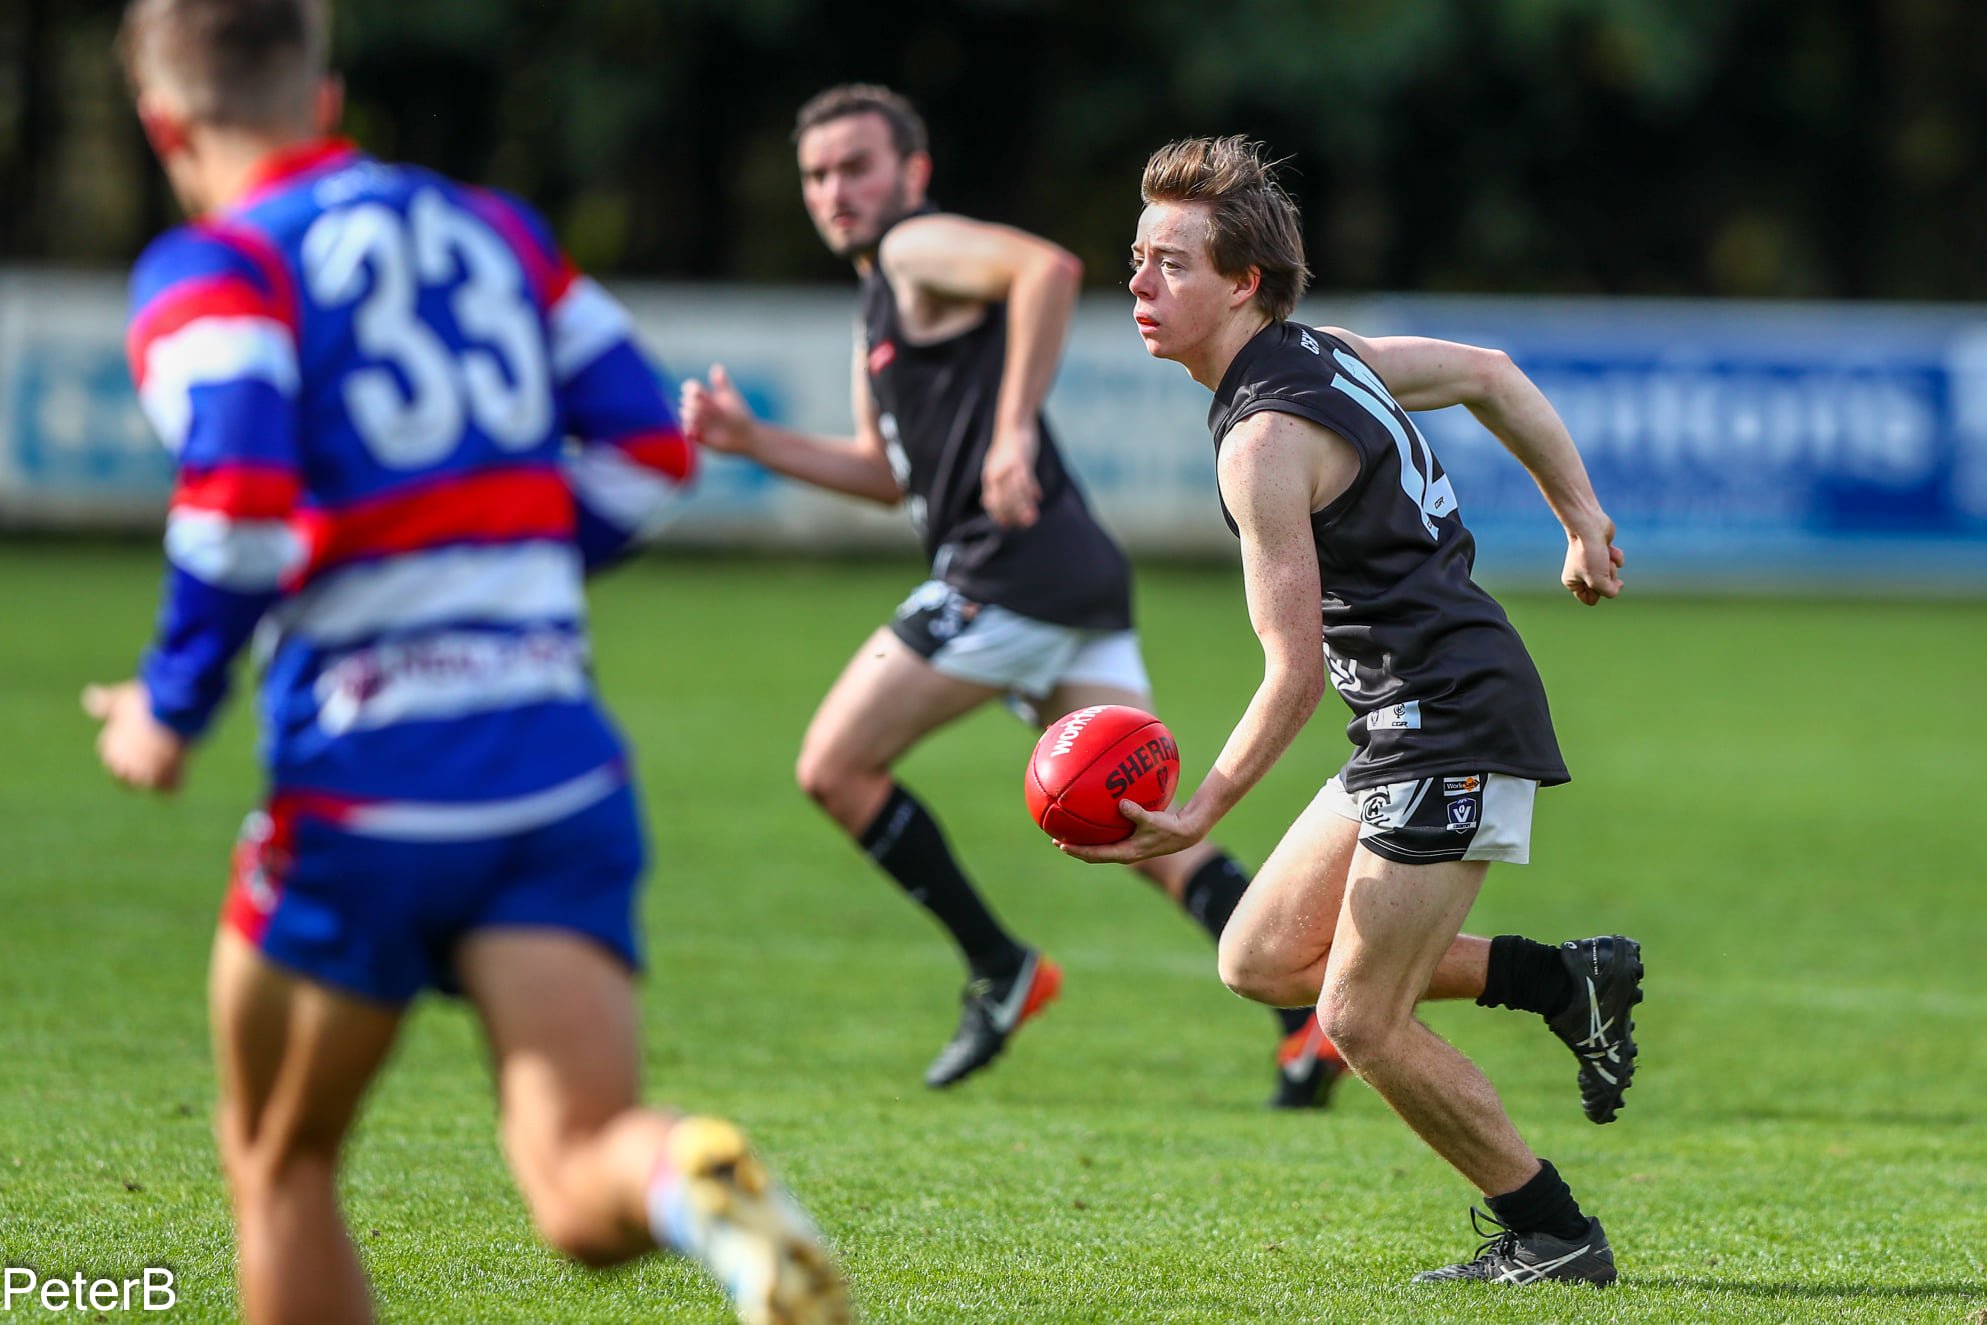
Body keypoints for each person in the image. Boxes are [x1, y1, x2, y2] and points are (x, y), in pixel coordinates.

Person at [84, 3, 850, 1322]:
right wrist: (497, 579)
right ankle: (693, 1186)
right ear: (324, 96)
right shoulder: (491, 229)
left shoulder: (213, 265)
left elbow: (240, 497)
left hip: (369, 778)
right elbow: (648, 453)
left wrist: (165, 708)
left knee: (278, 1158)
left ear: (164, 124)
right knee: (576, 1172)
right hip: (549, 764)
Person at [679, 85, 1341, 1103]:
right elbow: (884, 469)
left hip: (1008, 572)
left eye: (857, 165)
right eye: (816, 173)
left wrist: (1007, 429)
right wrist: (753, 441)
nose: (834, 190)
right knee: (1140, 828)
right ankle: (1309, 1018)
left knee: (832, 767)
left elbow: (1046, 269)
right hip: (1064, 570)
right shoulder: (881, 295)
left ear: (913, 171)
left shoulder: (913, 248)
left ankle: (999, 967)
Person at [1068, 134, 1643, 1285]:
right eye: (1136, 257)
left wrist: (1200, 809)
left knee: (1358, 1016)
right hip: (1406, 718)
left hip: (1447, 715)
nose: (1137, 283)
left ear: (1243, 283)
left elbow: (1286, 670)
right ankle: (1563, 980)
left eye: (1168, 263)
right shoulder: (1321, 356)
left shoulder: (1263, 438)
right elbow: (1488, 370)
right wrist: (1580, 520)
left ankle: (1553, 1230)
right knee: (1259, 956)